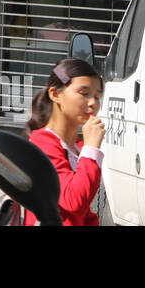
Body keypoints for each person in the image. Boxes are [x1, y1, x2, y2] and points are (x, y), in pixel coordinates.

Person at [22, 56, 105, 226]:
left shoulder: (77, 147)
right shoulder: (43, 143)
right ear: (55, 94)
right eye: (84, 93)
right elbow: (74, 201)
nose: (92, 103)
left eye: (97, 96)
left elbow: (84, 212)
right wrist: (91, 150)